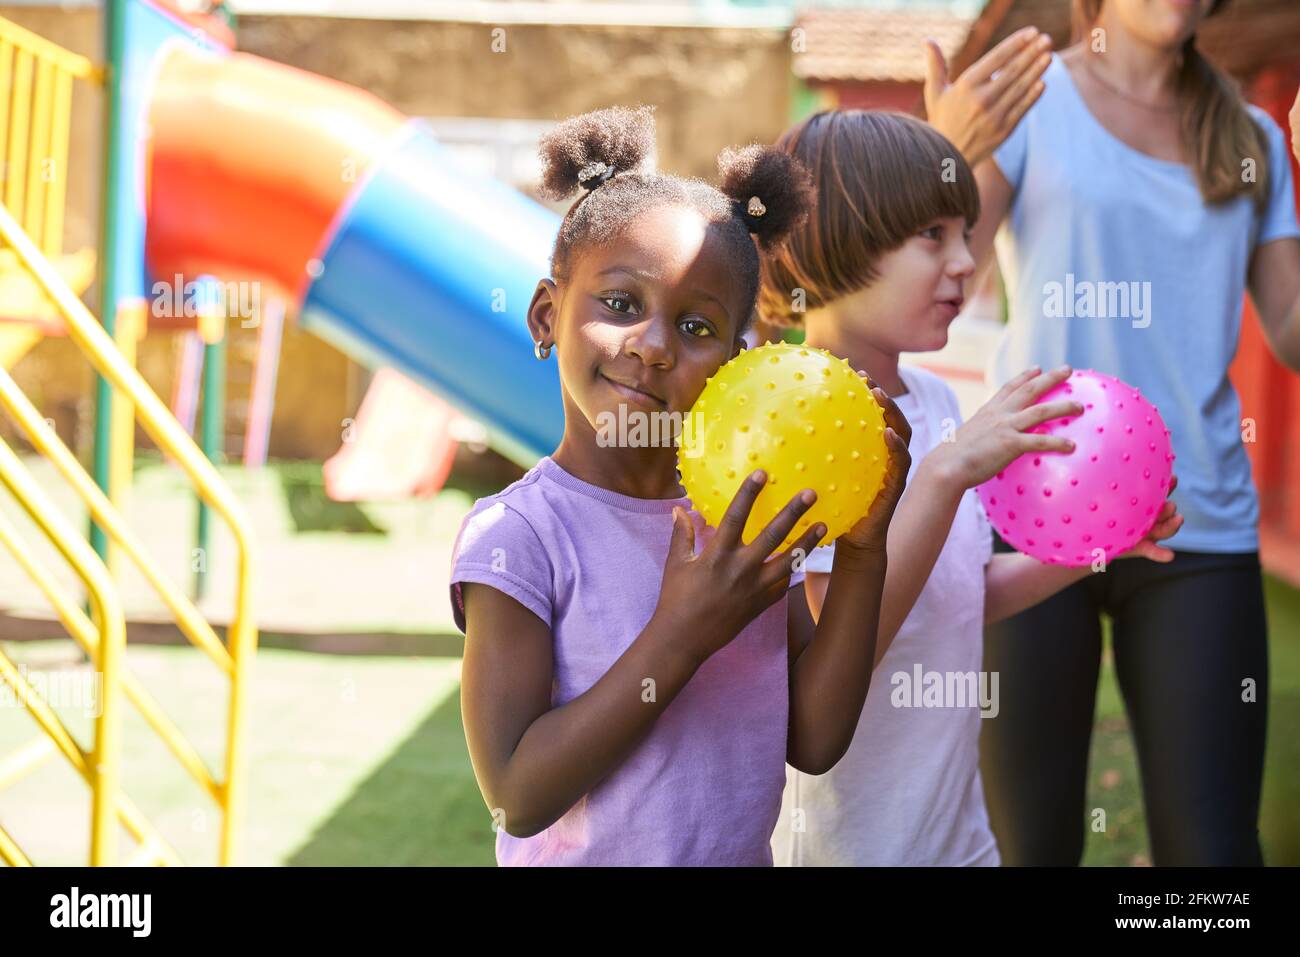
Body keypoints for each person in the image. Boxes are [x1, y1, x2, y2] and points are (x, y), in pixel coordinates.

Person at [448, 105, 911, 866]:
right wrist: (684, 633)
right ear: (546, 315)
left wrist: (864, 551)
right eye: (621, 304)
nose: (654, 347)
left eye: (697, 327)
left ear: (739, 357)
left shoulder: (739, 518)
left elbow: (815, 739)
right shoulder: (518, 538)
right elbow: (516, 795)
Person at [759, 109, 1182, 865]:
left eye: (967, 233)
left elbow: (958, 595)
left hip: (958, 842)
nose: (965, 261)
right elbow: (846, 648)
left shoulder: (935, 399)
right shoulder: (800, 419)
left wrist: (1096, 545)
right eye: (933, 235)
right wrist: (947, 472)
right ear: (835, 236)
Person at [956, 0, 1300, 865]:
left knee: (1213, 858)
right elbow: (941, 278)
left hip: (1198, 521)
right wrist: (949, 153)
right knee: (1032, 846)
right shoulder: (1028, 102)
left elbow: (1290, 325)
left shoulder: (1253, 135)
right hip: (1032, 514)